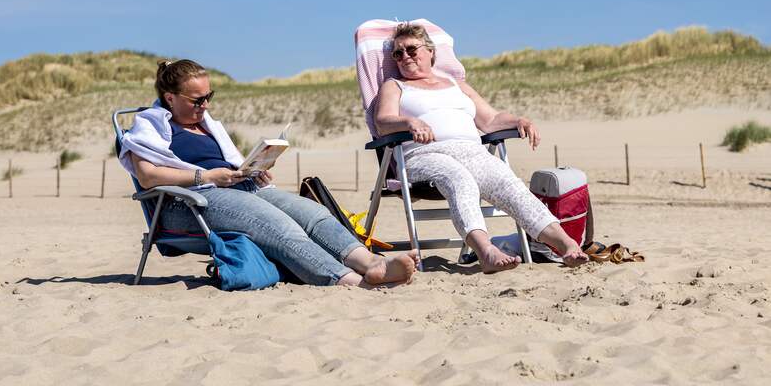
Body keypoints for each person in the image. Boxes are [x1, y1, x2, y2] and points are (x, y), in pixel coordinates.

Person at [120, 59, 417, 287]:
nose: (205, 105)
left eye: (209, 96)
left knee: (310, 214)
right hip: (187, 202)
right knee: (278, 226)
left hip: (234, 189)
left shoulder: (208, 124)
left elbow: (227, 164)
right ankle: (347, 279)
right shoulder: (151, 125)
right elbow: (147, 176)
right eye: (197, 100)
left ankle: (369, 263)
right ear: (170, 98)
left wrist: (252, 170)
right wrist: (207, 177)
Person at [374, 23, 588, 273]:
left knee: (507, 182)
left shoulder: (456, 85)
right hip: (424, 155)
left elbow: (490, 120)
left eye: (411, 49)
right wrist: (409, 122)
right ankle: (485, 251)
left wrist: (519, 121)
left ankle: (566, 245)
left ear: (431, 51)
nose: (404, 57)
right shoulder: (395, 85)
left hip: (471, 152)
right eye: (397, 54)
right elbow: (382, 122)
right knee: (459, 179)